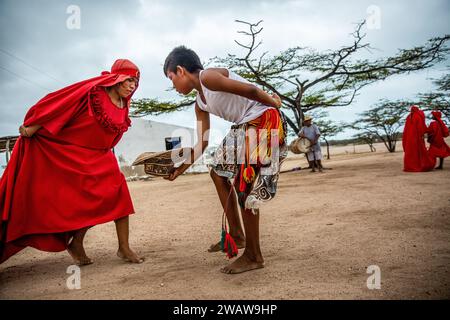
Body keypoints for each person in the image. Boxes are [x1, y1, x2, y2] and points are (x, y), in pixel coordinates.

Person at [0, 59, 144, 265]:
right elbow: (61, 107)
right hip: (73, 155)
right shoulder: (93, 93)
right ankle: (76, 243)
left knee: (119, 192)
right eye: (129, 80)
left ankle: (124, 248)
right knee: (84, 203)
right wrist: (35, 127)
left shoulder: (124, 104)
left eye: (135, 83)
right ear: (116, 79)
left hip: (101, 156)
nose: (132, 86)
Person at [163, 46, 287, 274]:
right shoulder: (199, 103)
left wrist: (275, 103)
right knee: (218, 173)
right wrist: (180, 169)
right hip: (244, 125)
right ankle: (237, 235)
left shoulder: (208, 77)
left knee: (244, 185)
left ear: (180, 70)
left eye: (171, 78)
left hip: (264, 119)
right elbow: (202, 142)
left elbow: (250, 90)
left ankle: (253, 256)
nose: (173, 86)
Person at [402, 105, 435, 172]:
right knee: (418, 151)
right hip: (417, 138)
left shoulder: (409, 117)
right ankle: (419, 166)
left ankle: (410, 167)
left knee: (411, 152)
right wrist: (425, 133)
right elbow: (421, 128)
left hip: (409, 138)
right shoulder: (418, 116)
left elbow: (406, 129)